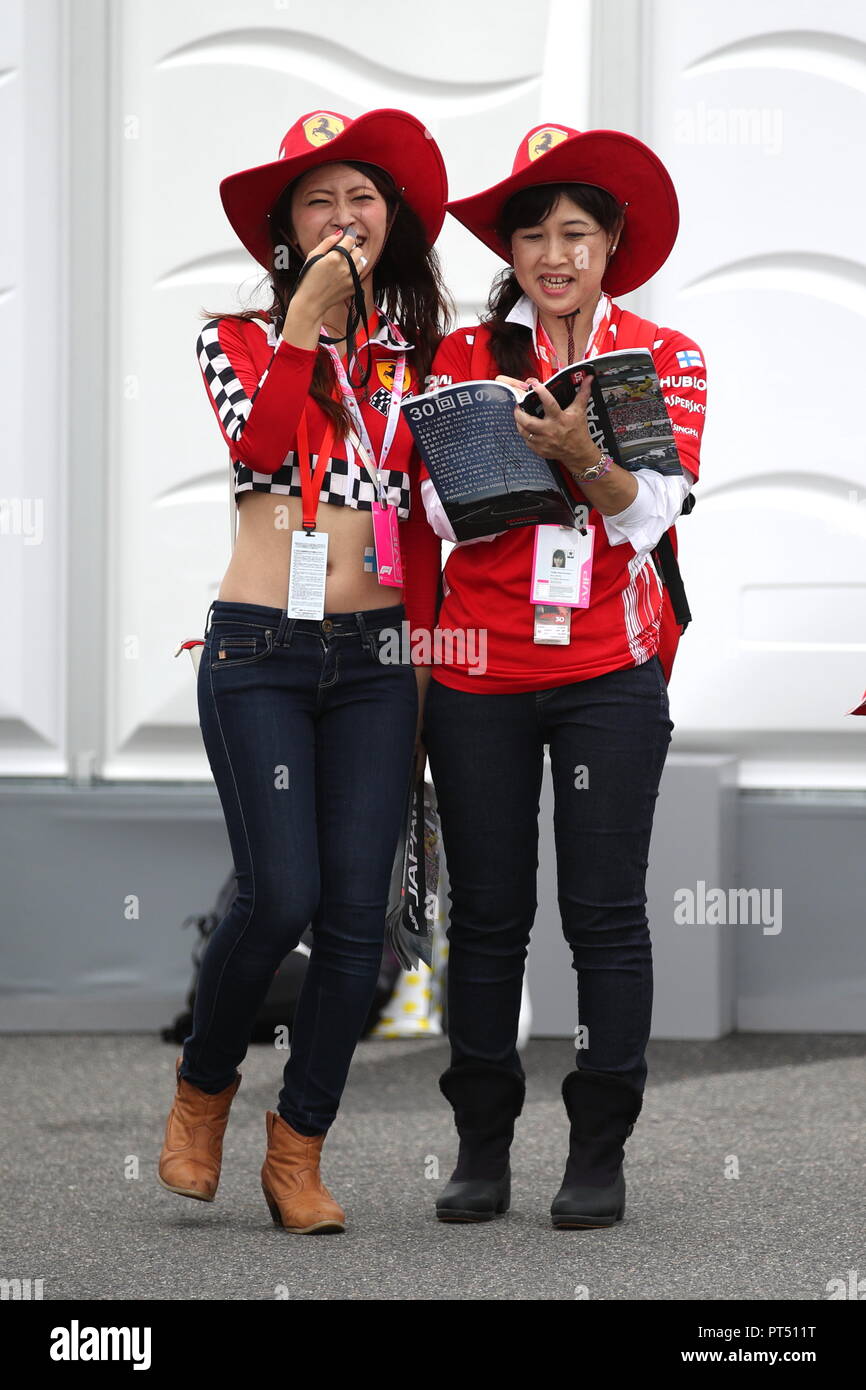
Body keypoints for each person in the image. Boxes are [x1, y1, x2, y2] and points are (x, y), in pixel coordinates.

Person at [158, 108, 449, 1233]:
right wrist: (301, 324)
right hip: (260, 650)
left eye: (360, 199)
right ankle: (203, 1088)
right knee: (275, 893)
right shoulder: (230, 337)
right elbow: (263, 452)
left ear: (389, 224)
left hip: (376, 659)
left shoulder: (419, 361)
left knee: (353, 915)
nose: (341, 218)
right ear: (284, 232)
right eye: (317, 202)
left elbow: (430, 527)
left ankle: (298, 1147)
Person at [418, 122, 707, 1227]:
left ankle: (597, 1150)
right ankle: (479, 1143)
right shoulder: (462, 358)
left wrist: (579, 457)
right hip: (479, 670)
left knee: (603, 914)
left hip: (608, 669)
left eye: (574, 232)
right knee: (487, 914)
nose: (552, 252)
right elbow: (437, 514)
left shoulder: (663, 356)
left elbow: (649, 522)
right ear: (510, 250)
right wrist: (496, 460)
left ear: (610, 242)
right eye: (531, 233)